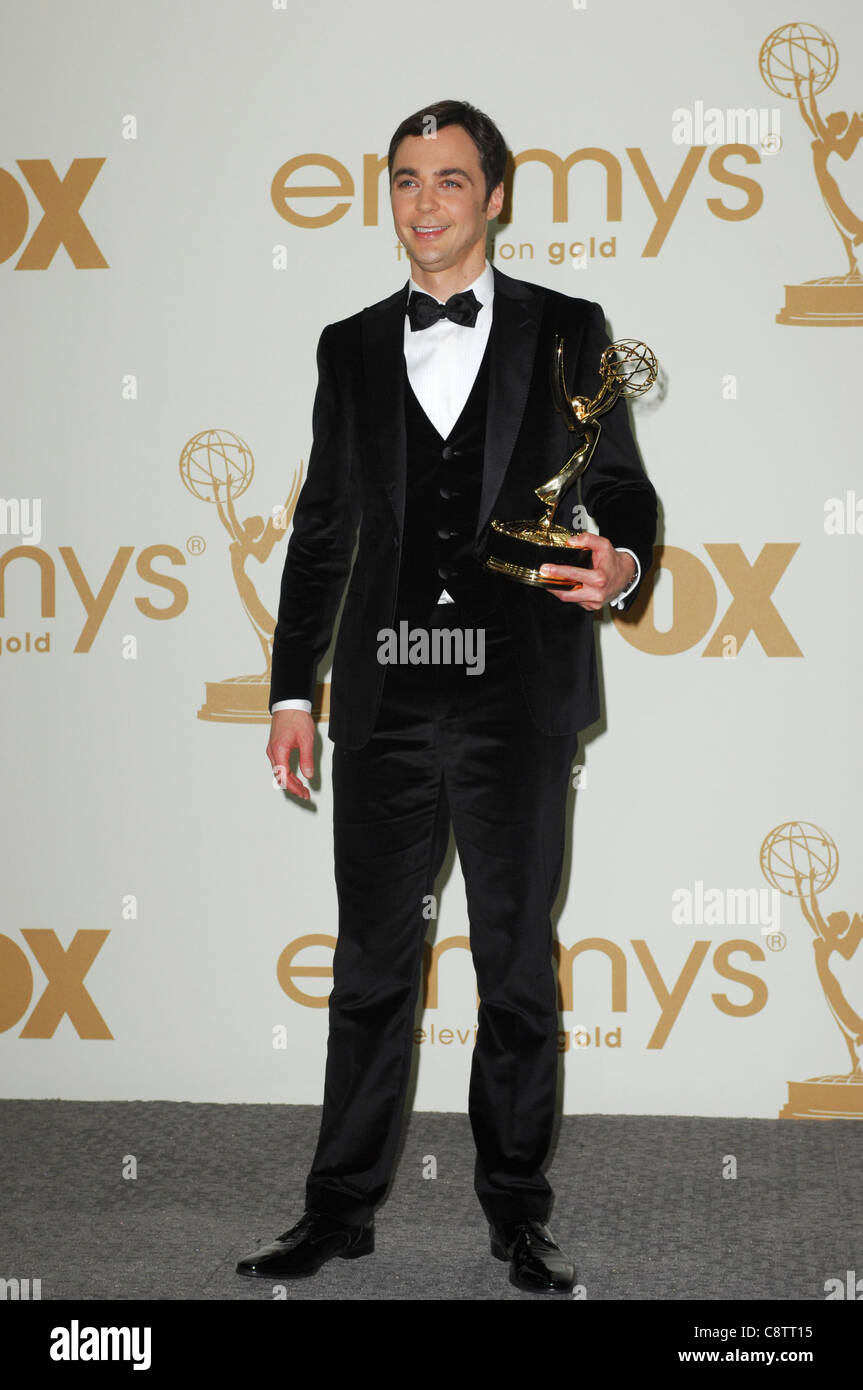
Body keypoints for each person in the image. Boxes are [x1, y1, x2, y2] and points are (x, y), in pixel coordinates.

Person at [236, 99, 657, 1294]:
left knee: (515, 963)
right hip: (384, 698)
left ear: (496, 197)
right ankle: (337, 1210)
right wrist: (288, 693)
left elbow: (619, 493)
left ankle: (516, 1214)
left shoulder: (570, 332)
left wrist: (619, 563)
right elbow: (323, 532)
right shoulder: (348, 344)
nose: (424, 202)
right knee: (371, 961)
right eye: (405, 180)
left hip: (515, 697)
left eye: (450, 181)